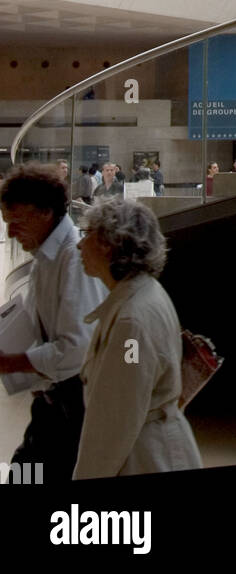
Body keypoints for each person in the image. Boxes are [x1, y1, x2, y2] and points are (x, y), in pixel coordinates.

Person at [73, 198, 203, 478]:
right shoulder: (145, 293)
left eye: (86, 236)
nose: (79, 245)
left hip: (144, 458)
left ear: (109, 243)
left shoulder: (131, 322)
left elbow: (114, 423)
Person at [0, 165, 106, 480]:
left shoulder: (75, 261)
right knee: (24, 473)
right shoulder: (46, 258)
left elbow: (76, 350)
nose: (10, 234)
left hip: (75, 408)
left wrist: (14, 363)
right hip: (53, 403)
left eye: (17, 222)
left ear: (46, 213)